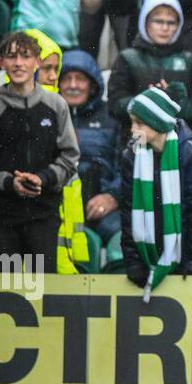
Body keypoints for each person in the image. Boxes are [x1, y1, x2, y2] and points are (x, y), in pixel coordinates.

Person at [0, 31, 79, 271]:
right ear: (1, 63)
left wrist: (43, 178)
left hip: (43, 215)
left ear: (37, 62)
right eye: (11, 56)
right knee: (5, 293)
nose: (18, 63)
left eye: (25, 56)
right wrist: (8, 183)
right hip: (0, 218)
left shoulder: (56, 105)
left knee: (42, 291)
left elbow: (70, 158)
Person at [118, 87, 192, 290]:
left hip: (186, 265)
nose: (133, 130)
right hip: (146, 261)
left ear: (156, 122)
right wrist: (134, 263)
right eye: (131, 122)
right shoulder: (131, 155)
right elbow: (128, 213)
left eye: (139, 123)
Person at [106, 0, 192, 132]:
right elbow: (115, 106)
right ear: (145, 22)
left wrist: (175, 102)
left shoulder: (190, 61)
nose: (165, 28)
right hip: (137, 141)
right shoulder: (127, 58)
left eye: (171, 22)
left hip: (179, 141)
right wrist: (149, 100)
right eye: (158, 21)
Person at [57, 49, 122, 241]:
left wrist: (112, 196)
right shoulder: (47, 114)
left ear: (93, 85)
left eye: (80, 79)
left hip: (101, 203)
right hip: (58, 205)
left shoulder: (112, 118)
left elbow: (127, 165)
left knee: (117, 233)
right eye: (66, 79)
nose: (73, 85)